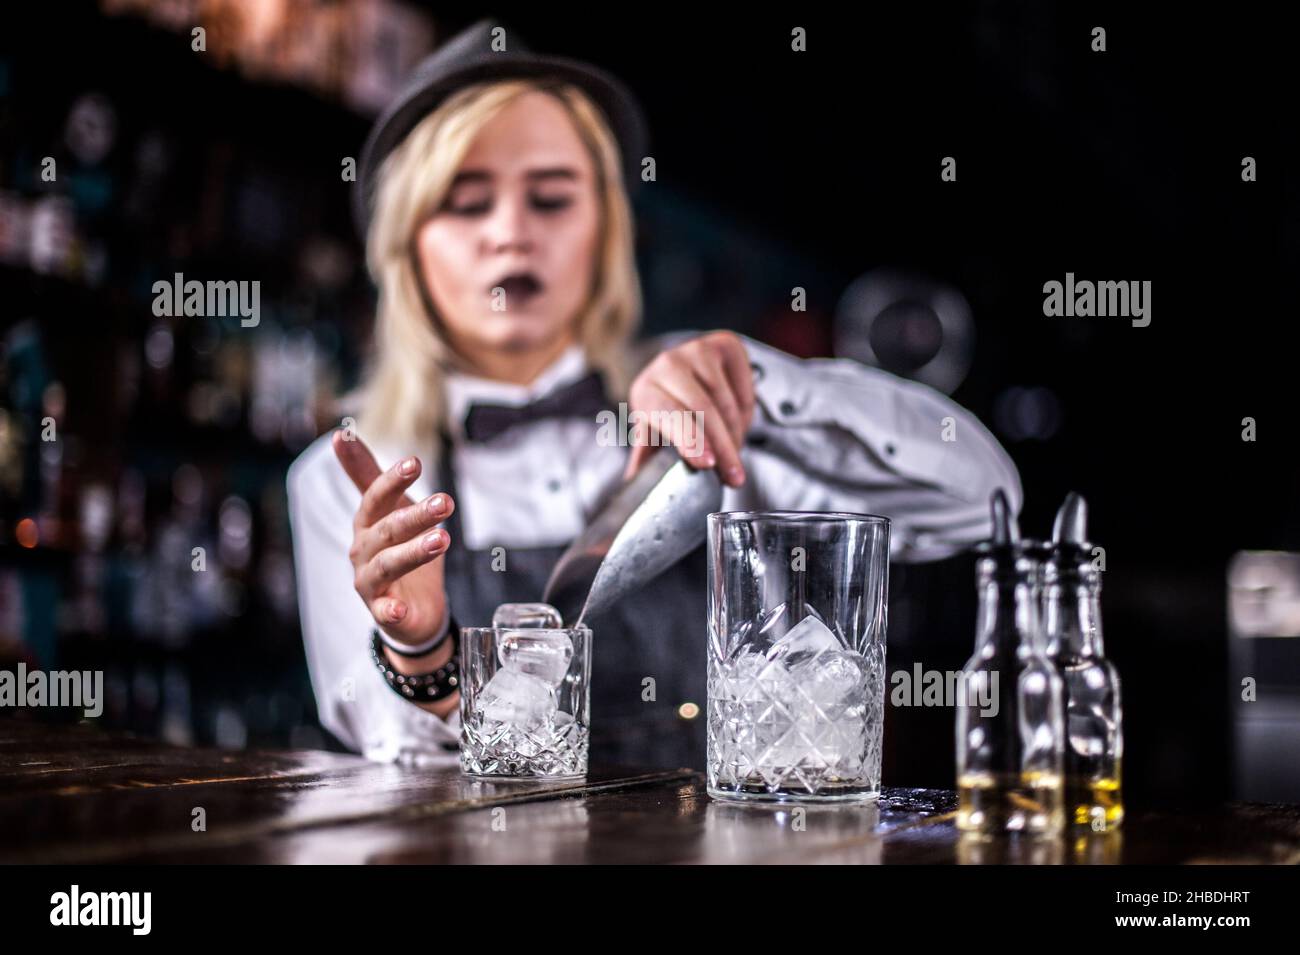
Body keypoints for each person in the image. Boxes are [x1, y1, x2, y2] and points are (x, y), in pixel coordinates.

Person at [286, 18, 1022, 769]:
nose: (511, 232)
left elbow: (981, 499)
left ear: (604, 230)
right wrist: (421, 647)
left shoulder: (716, 416)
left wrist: (758, 385)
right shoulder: (348, 478)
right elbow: (386, 751)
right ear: (407, 245)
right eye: (467, 203)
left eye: (551, 198)